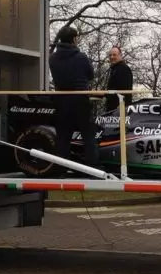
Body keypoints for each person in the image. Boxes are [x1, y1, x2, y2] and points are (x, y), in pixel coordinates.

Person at [49, 26, 100, 173]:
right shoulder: (81, 57)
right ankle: (93, 168)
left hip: (61, 101)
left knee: (63, 138)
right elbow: (90, 75)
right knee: (88, 136)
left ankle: (60, 168)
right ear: (74, 39)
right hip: (80, 101)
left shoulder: (52, 59)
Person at [104, 45, 133, 112]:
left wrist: (102, 93)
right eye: (110, 55)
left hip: (119, 108)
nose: (112, 57)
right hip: (114, 108)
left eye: (114, 55)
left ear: (120, 55)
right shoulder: (115, 69)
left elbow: (121, 90)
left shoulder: (123, 69)